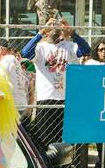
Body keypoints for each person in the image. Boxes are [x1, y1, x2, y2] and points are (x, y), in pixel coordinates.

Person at [21, 16, 91, 154]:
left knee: (62, 142)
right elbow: (25, 53)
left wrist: (72, 33)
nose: (55, 27)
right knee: (45, 141)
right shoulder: (41, 47)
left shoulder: (68, 46)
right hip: (46, 100)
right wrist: (41, 32)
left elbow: (86, 50)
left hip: (64, 100)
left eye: (57, 24)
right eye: (52, 24)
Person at [0, 37, 31, 122]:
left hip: (13, 104)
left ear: (1, 49)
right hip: (21, 103)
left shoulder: (5, 61)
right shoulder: (14, 61)